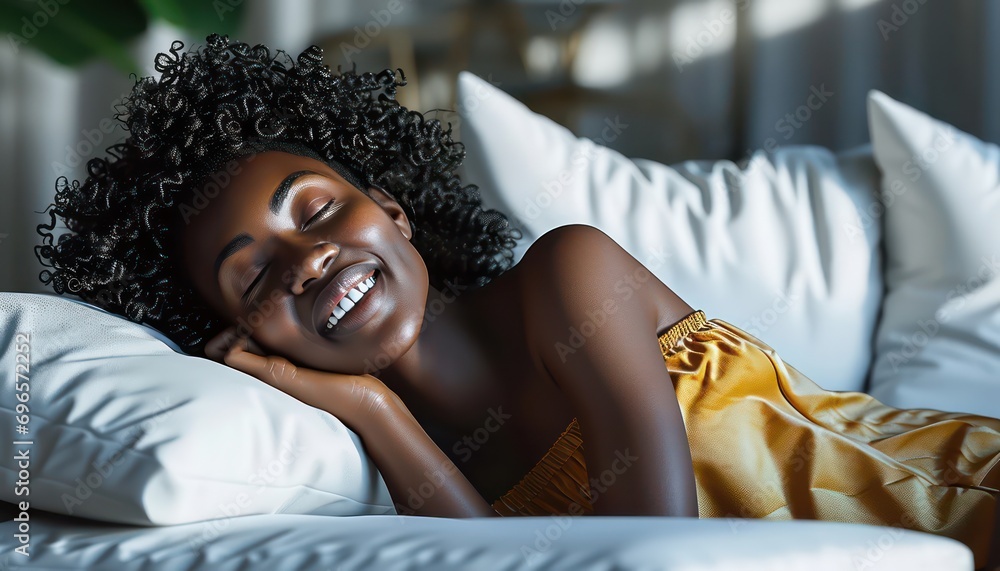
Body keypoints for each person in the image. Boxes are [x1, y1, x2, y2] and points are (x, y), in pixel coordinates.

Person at [35, 35, 1000, 569]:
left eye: (318, 209)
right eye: (254, 276)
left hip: (958, 497)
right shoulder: (381, 451)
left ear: (396, 212)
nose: (310, 260)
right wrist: (370, 409)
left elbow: (651, 546)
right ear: (242, 334)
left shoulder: (566, 275)